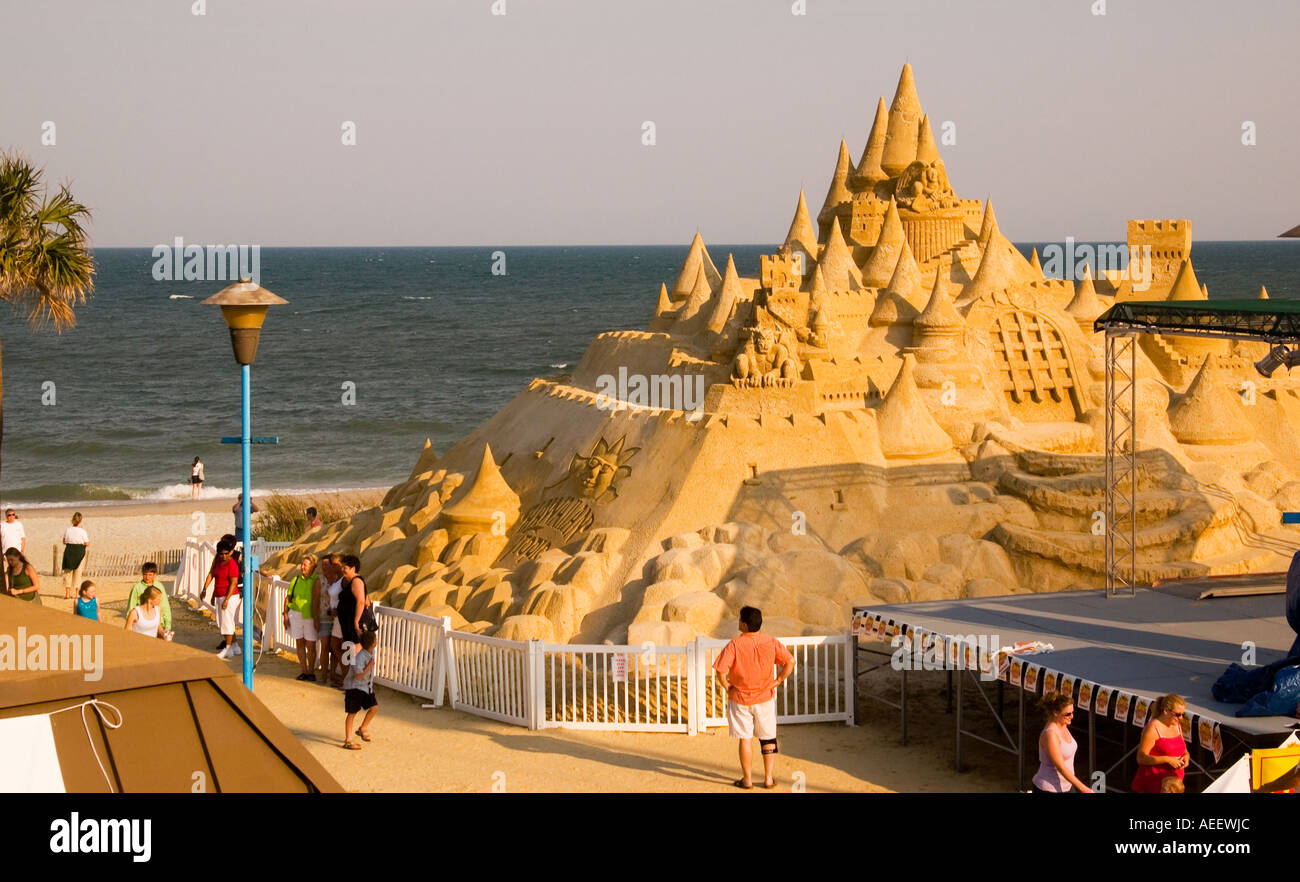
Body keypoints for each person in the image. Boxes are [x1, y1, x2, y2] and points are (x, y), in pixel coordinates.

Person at [712, 606, 795, 789]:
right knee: (768, 738)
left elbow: (720, 671)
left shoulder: (734, 644)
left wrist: (727, 686)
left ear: (744, 624)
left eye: (740, 619)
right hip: (765, 697)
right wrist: (778, 680)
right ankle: (768, 779)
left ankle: (747, 779)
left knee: (745, 738)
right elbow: (790, 662)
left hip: (740, 699)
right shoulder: (771, 641)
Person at [1031, 691, 1091, 793]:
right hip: (1049, 789)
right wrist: (1085, 789)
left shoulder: (1063, 724)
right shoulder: (1050, 734)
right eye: (1068, 714)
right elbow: (1061, 767)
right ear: (1055, 712)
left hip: (1067, 786)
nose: (1072, 716)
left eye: (1072, 712)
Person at [1131, 694, 1191, 793]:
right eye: (1178, 714)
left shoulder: (1176, 725)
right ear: (1166, 711)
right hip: (1156, 782)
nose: (1181, 718)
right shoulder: (1153, 728)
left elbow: (1182, 749)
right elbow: (1141, 758)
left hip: (1174, 783)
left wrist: (1186, 756)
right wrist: (1166, 759)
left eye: (1183, 714)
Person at [202, 541, 243, 658]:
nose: (224, 556)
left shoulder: (232, 564)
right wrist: (206, 590)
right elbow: (212, 575)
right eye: (221, 554)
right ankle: (235, 646)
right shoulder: (218, 562)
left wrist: (227, 599)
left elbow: (234, 582)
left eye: (226, 553)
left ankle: (228, 648)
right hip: (220, 594)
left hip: (229, 595)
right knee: (222, 622)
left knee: (227, 622)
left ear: (230, 553)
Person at [284, 554, 321, 681]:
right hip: (295, 614)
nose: (302, 567)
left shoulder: (316, 580)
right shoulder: (296, 579)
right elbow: (288, 597)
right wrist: (285, 615)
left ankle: (311, 671)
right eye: (302, 564)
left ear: (312, 567)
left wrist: (316, 619)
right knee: (299, 643)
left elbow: (316, 600)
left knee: (311, 645)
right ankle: (304, 671)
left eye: (305, 564)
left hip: (310, 616)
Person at [342, 630, 378, 750]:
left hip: (366, 687)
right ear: (372, 643)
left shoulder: (370, 651)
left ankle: (362, 728)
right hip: (354, 687)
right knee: (352, 713)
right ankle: (348, 740)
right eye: (375, 640)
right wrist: (369, 667)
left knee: (374, 708)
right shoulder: (360, 658)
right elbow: (358, 676)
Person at [317, 554, 344, 686]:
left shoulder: (339, 579)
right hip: (324, 618)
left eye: (328, 565)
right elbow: (315, 600)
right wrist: (316, 619)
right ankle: (323, 674)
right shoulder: (320, 580)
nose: (325, 567)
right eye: (323, 565)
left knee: (335, 648)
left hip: (337, 619)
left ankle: (333, 674)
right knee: (325, 646)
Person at [126, 561, 173, 633]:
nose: (147, 577)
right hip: (141, 626)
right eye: (145, 574)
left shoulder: (159, 586)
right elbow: (131, 607)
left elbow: (165, 606)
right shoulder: (137, 588)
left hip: (159, 625)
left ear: (155, 575)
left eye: (150, 575)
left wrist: (167, 626)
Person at [336, 553, 367, 655]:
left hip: (353, 623)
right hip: (348, 623)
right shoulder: (350, 582)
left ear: (353, 568)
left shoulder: (356, 581)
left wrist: (356, 622)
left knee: (355, 650)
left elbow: (361, 602)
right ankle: (351, 671)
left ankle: (356, 671)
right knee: (350, 651)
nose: (342, 570)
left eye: (345, 567)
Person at [60, 512, 90, 600]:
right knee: (78, 573)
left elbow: (64, 541)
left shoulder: (68, 530)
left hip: (69, 551)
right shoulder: (83, 531)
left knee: (67, 573)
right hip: (79, 551)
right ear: (80, 520)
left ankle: (67, 594)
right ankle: (77, 594)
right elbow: (87, 543)